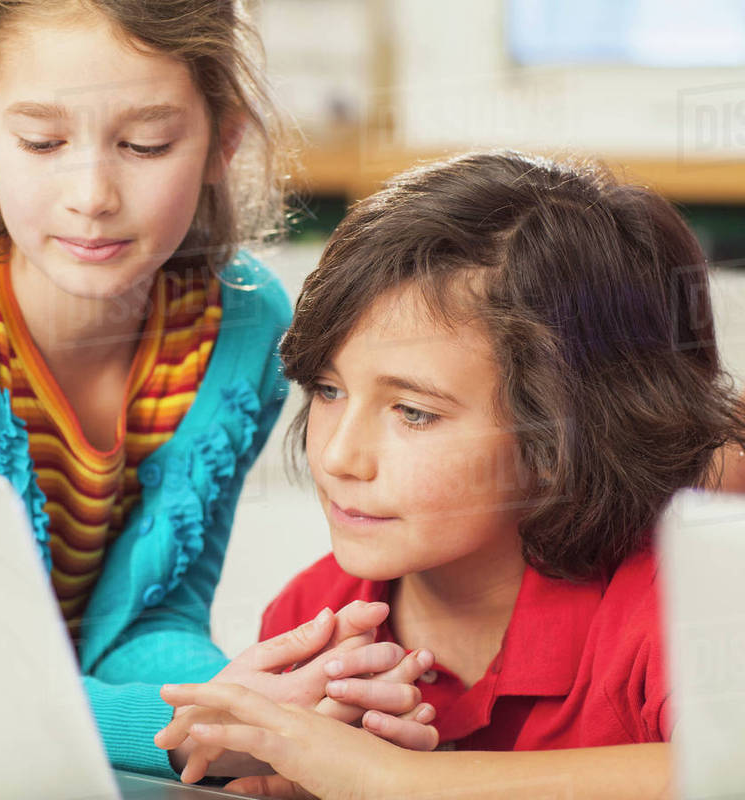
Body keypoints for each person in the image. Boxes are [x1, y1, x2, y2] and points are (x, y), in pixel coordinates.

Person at [0, 0, 430, 777]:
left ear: (220, 141)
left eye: (145, 144)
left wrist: (278, 704)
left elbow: (147, 619)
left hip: (70, 755)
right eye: (42, 142)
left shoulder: (244, 324)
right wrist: (200, 726)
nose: (92, 193)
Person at [156, 150, 745, 796]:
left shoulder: (669, 598)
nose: (337, 457)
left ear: (562, 437)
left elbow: (723, 771)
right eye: (328, 390)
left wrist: (397, 779)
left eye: (413, 413)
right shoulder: (316, 617)